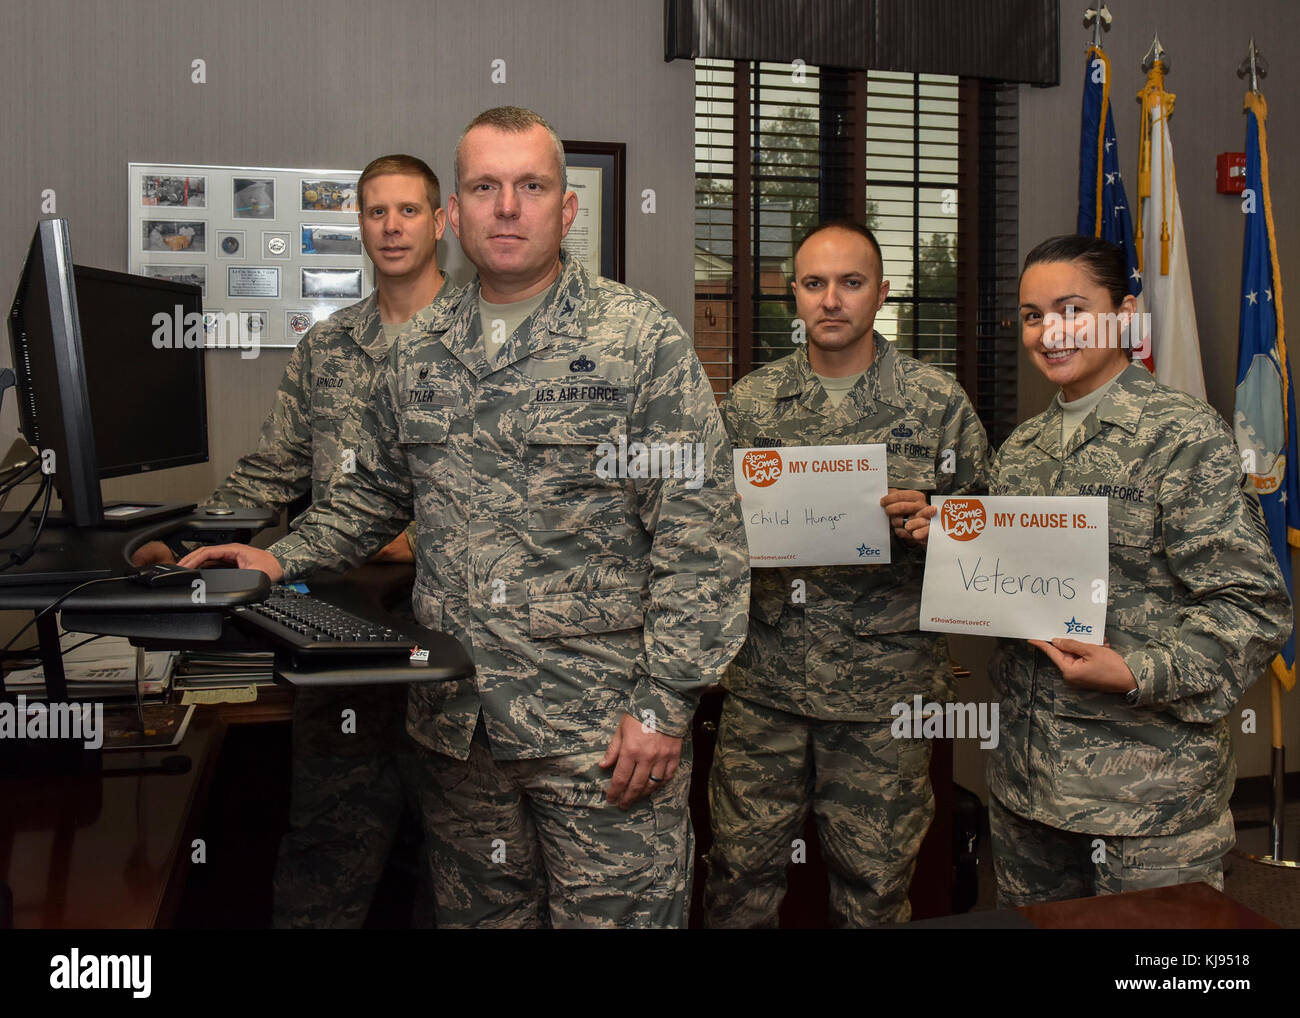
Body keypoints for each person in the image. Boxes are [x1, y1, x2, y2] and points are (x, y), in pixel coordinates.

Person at [181, 106, 750, 928]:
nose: (508, 207)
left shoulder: (638, 340)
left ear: (566, 208)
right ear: (456, 212)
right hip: (459, 731)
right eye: (486, 187)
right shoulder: (417, 349)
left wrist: (665, 705)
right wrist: (277, 560)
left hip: (598, 736)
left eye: (530, 186)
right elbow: (372, 491)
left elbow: (702, 540)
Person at [908, 233, 1291, 903]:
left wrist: (1137, 670)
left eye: (1072, 309)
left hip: (1147, 804)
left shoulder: (1183, 436)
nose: (1049, 332)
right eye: (1032, 315)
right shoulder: (1023, 447)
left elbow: (1252, 609)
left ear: (1126, 313)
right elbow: (1015, 583)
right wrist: (942, 536)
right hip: (1030, 796)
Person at [148, 154, 454, 927]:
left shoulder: (481, 339)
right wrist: (187, 540)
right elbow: (274, 469)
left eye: (409, 211)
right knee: (325, 857)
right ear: (359, 225)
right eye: (376, 212)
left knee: (456, 871)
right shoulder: (328, 349)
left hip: (456, 649)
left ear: (442, 220)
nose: (391, 227)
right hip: (341, 642)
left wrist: (406, 540)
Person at [705, 220, 990, 927]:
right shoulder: (749, 403)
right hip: (765, 688)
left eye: (851, 283)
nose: (831, 300)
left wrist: (936, 523)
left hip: (883, 696)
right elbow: (702, 539)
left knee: (875, 889)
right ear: (791, 295)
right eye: (814, 283)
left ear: (882, 293)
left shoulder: (937, 402)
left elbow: (991, 545)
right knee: (737, 880)